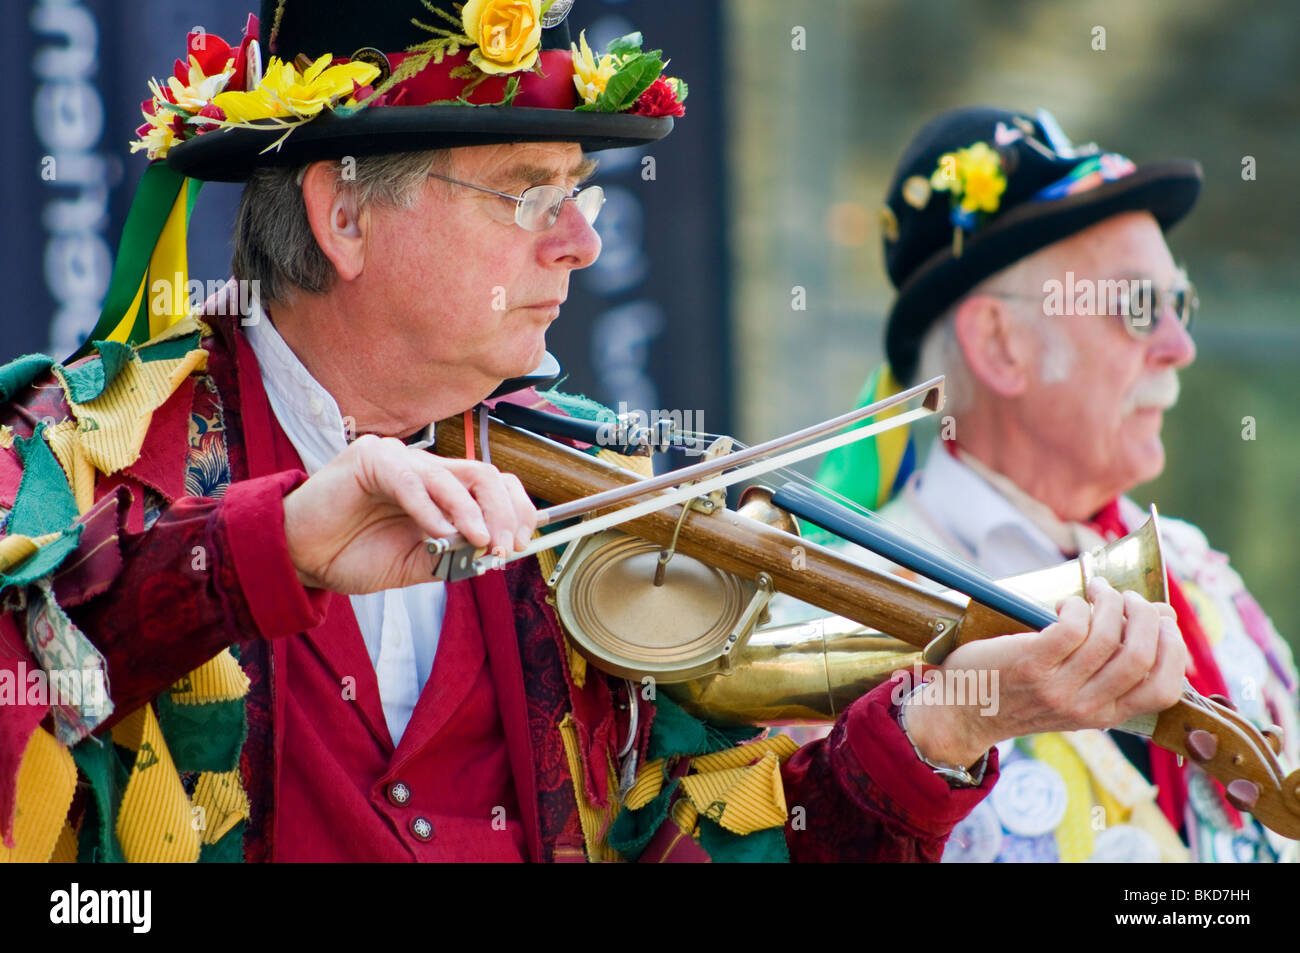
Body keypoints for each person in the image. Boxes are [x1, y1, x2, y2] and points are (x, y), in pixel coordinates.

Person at [0, 10, 1185, 864]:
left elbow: (735, 842)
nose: (581, 243)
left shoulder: (606, 483)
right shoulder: (78, 449)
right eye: (528, 191)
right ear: (341, 211)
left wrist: (952, 719)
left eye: (583, 192)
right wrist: (277, 544)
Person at [813, 106, 1299, 862]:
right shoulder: (847, 614)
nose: (1181, 346)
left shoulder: (1201, 572)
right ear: (1000, 345)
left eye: (1181, 303)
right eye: (1140, 307)